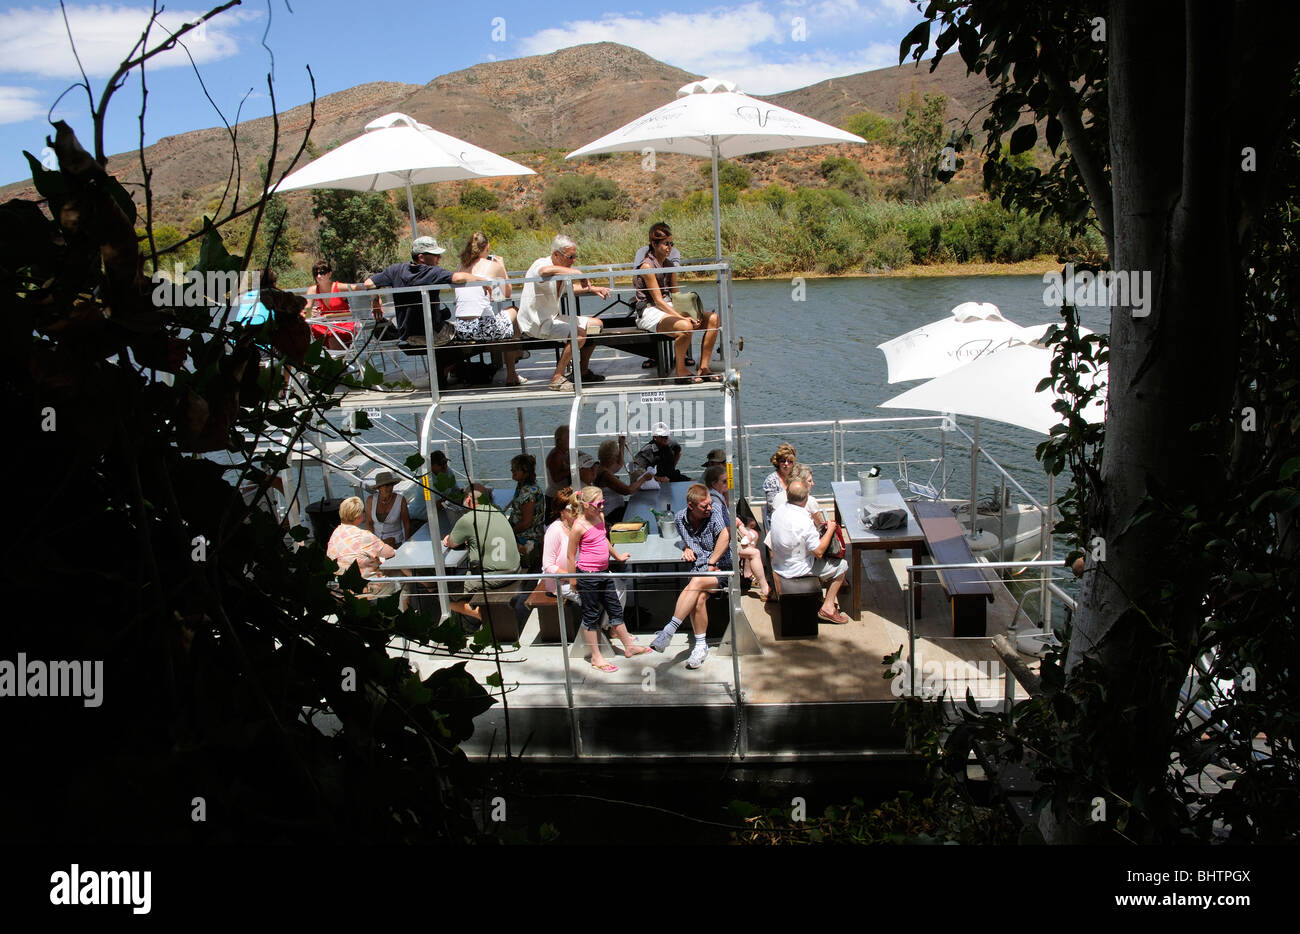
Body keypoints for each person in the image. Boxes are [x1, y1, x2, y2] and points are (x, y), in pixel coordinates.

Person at [566, 486, 651, 672]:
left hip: (604, 572)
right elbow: (571, 555)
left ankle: (628, 645)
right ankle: (596, 656)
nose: (602, 506)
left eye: (603, 502)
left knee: (615, 608)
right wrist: (573, 580)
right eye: (599, 504)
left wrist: (617, 556)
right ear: (587, 505)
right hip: (588, 576)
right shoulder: (578, 526)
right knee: (590, 616)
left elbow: (602, 539)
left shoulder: (600, 518)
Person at [648, 484, 732, 668]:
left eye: (709, 503)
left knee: (696, 581)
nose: (709, 508)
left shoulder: (716, 510)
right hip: (699, 569)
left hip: (720, 567)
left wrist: (712, 563)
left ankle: (669, 630)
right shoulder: (679, 518)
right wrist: (687, 547)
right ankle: (701, 646)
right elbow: (689, 540)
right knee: (699, 599)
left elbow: (726, 535)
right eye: (704, 506)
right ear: (691, 506)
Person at [516, 235, 611, 390]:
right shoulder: (541, 264)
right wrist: (576, 272)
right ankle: (557, 377)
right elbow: (544, 271)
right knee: (579, 335)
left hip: (554, 317)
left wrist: (593, 289)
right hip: (537, 322)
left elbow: (569, 289)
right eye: (570, 257)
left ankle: (582, 370)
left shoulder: (561, 270)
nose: (573, 260)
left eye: (575, 257)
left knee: (597, 325)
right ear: (556, 255)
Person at [353, 237, 483, 344]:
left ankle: (444, 371)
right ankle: (450, 372)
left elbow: (368, 284)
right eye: (436, 255)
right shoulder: (432, 272)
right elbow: (459, 277)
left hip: (408, 336)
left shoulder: (395, 270)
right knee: (468, 335)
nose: (439, 258)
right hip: (433, 334)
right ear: (421, 257)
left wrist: (375, 300)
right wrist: (482, 281)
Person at [633, 222, 720, 383]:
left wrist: (691, 312)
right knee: (685, 326)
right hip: (648, 311)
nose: (669, 247)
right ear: (654, 244)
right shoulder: (647, 266)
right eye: (666, 244)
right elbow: (658, 301)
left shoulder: (669, 265)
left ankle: (704, 367)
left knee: (713, 319)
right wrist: (682, 318)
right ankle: (681, 371)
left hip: (667, 307)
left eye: (671, 244)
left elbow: (676, 296)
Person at [768, 478, 850, 623]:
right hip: (796, 568)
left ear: (787, 495)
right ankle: (828, 608)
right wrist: (830, 530)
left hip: (779, 563)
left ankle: (818, 597)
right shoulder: (803, 520)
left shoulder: (778, 512)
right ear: (806, 498)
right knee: (842, 566)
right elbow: (818, 552)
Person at [442, 483, 521, 625]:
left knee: (443, 592)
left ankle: (480, 615)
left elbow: (452, 542)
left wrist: (448, 539)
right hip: (515, 569)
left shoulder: (468, 519)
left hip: (496, 575)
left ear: (469, 500)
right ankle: (471, 613)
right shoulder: (497, 512)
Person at [453, 232, 526, 386]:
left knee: (502, 321)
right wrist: (502, 267)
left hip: (461, 330)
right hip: (483, 329)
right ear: (487, 248)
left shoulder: (461, 266)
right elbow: (505, 294)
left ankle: (518, 353)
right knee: (514, 311)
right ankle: (513, 370)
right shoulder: (494, 265)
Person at [703, 464, 768, 601]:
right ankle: (765, 589)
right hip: (721, 544)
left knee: (753, 535)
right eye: (724, 481)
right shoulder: (714, 501)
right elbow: (725, 525)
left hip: (724, 535)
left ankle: (747, 574)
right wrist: (742, 528)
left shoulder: (717, 495)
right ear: (715, 483)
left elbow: (728, 516)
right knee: (754, 552)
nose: (728, 484)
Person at [326, 496, 398, 597]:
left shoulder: (335, 534)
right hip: (367, 587)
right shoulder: (363, 536)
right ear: (359, 516)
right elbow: (390, 553)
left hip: (342, 588)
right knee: (400, 577)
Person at [593, 437, 651, 524]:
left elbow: (619, 464)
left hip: (614, 508)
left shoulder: (600, 467)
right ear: (613, 457)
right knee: (641, 510)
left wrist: (621, 445)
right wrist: (643, 478)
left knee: (637, 505)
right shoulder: (606, 475)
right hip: (611, 513)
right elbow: (628, 490)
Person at [504, 453, 546, 569]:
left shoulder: (528, 493)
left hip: (527, 537)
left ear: (525, 471)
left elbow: (527, 523)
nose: (511, 469)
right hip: (522, 532)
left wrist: (508, 532)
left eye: (516, 468)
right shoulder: (522, 486)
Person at [305, 260, 357, 351]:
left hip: (343, 323)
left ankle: (338, 361)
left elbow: (359, 289)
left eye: (322, 273)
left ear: (329, 274)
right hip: (324, 325)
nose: (318, 276)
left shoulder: (339, 287)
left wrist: (375, 299)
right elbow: (307, 310)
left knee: (333, 337)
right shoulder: (313, 290)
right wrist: (310, 313)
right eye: (315, 274)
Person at [541, 487, 581, 603]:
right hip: (561, 583)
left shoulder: (578, 526)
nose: (576, 511)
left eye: (578, 507)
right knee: (594, 597)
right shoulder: (554, 530)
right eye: (571, 508)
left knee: (617, 586)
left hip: (581, 576)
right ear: (562, 511)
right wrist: (573, 577)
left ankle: (606, 621)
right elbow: (548, 566)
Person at [364, 470, 411, 548]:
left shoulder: (400, 500)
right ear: (379, 488)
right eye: (386, 486)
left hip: (396, 542)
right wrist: (372, 543)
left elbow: (407, 524)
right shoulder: (370, 500)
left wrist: (407, 544)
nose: (389, 488)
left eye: (391, 485)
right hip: (377, 542)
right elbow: (369, 523)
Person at [762, 443, 797, 530]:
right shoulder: (771, 481)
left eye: (790, 461)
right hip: (777, 519)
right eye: (783, 461)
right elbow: (772, 506)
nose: (786, 464)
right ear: (778, 462)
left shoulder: (797, 477)